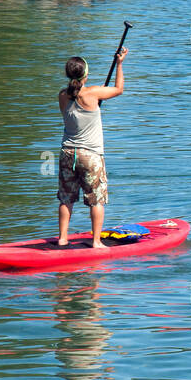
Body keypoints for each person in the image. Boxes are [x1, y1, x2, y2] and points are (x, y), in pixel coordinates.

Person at [56, 48, 126, 248]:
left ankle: (62, 239)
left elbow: (77, 102)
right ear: (86, 74)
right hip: (90, 155)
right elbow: (119, 89)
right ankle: (96, 242)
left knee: (65, 198)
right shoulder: (94, 93)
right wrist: (119, 64)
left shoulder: (62, 95)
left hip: (67, 153)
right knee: (96, 200)